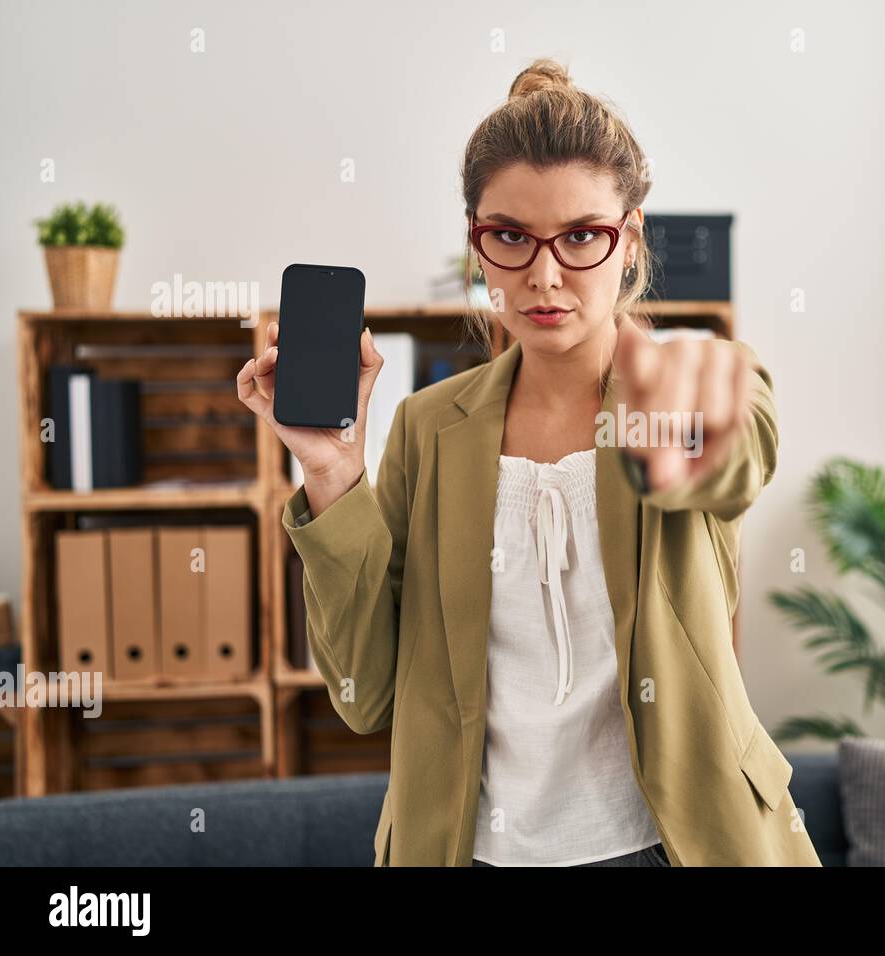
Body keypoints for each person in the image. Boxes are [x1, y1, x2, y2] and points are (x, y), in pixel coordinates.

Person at [236, 57, 821, 867]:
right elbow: (362, 696)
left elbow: (740, 457)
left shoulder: (694, 382)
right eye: (509, 236)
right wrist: (333, 471)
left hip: (674, 845)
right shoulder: (428, 429)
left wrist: (652, 388)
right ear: (477, 246)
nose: (544, 275)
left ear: (631, 240)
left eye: (582, 235)